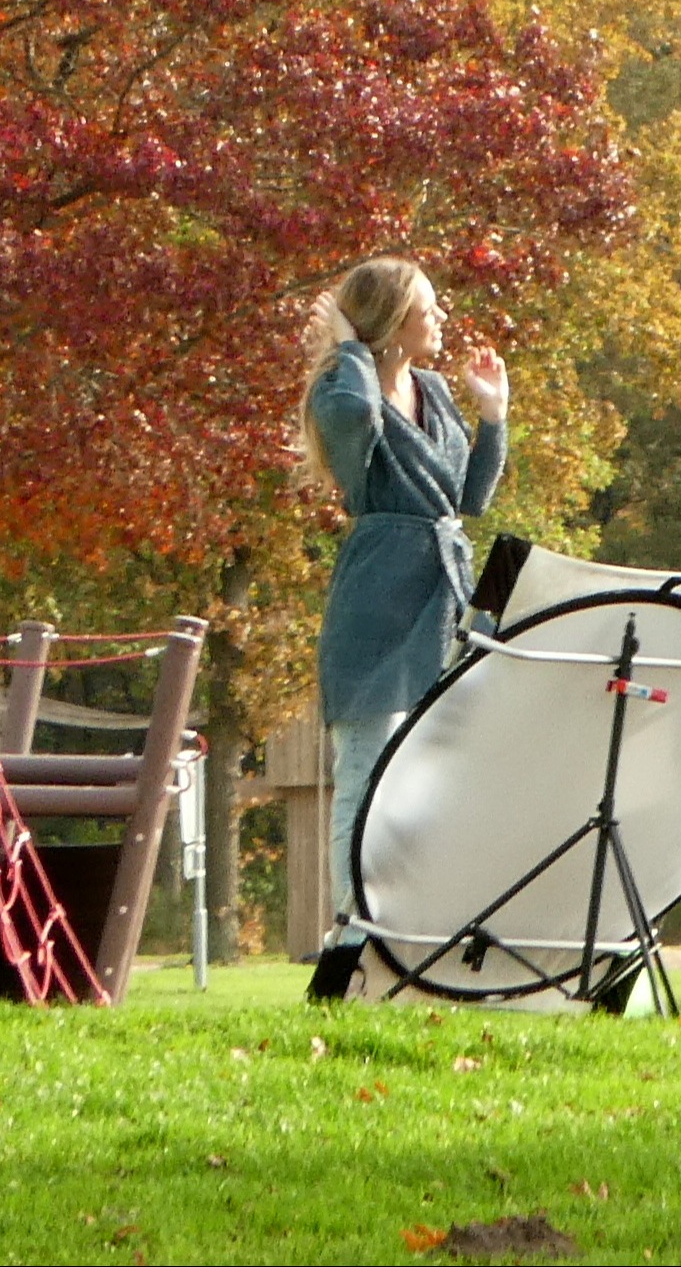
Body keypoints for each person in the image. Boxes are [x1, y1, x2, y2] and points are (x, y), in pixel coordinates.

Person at [297, 256, 509, 1000]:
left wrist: (493, 417)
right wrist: (350, 347)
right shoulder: (342, 388)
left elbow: (471, 497)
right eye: (428, 308)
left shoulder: (437, 390)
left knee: (435, 771)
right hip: (377, 595)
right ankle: (353, 934)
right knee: (365, 769)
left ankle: (419, 921)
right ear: (391, 321)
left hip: (443, 594)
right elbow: (356, 419)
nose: (442, 318)